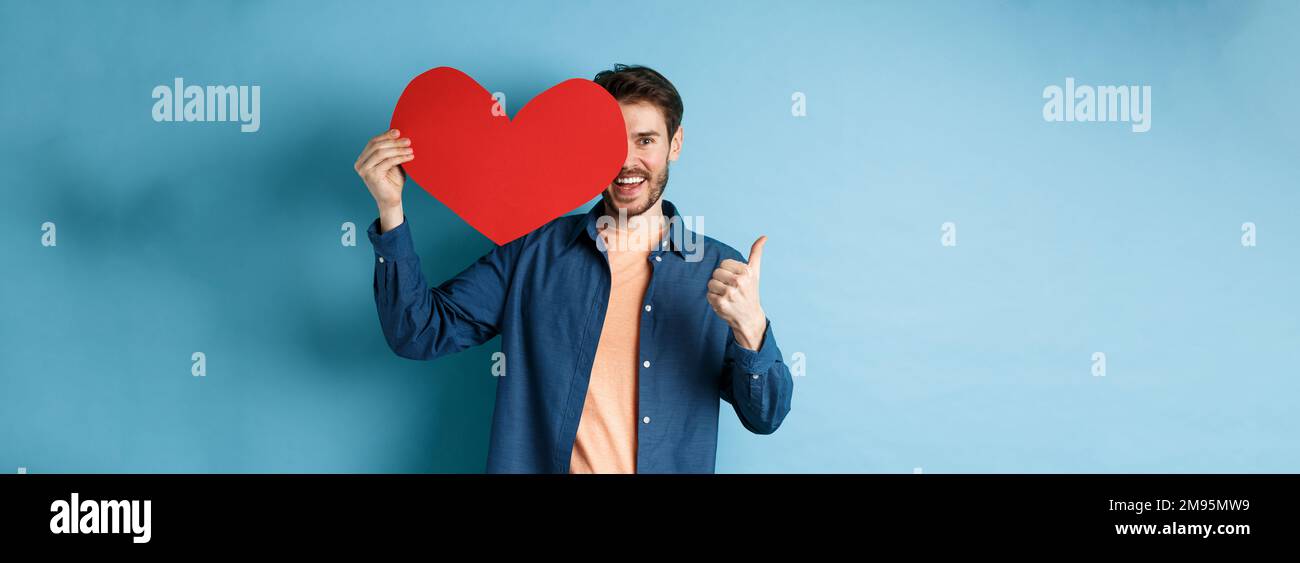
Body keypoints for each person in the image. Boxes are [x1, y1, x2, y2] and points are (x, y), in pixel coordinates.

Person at [353, 64, 793, 473]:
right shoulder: (534, 250)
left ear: (674, 144)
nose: (626, 162)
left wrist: (751, 327)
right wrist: (391, 210)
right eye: (612, 142)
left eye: (645, 140)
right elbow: (418, 333)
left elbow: (766, 416)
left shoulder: (717, 269)